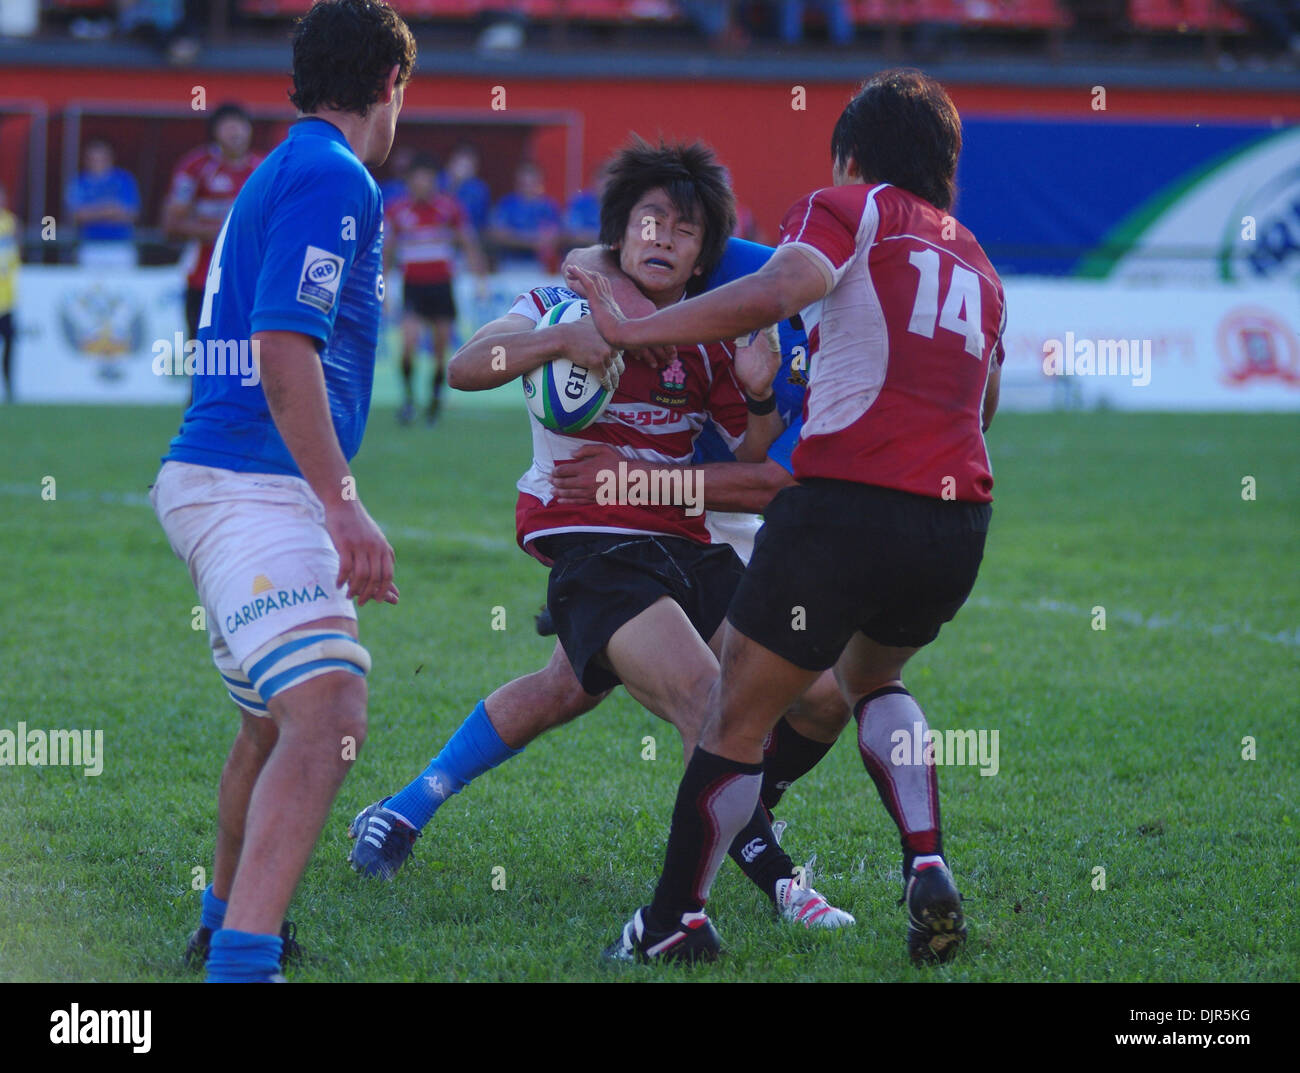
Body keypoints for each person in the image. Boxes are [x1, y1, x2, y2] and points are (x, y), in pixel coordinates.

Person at [346, 138, 855, 927]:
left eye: (683, 231)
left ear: (702, 263)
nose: (662, 237)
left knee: (813, 696)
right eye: (649, 221)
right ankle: (779, 880)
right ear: (621, 233)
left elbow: (756, 466)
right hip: (596, 551)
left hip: (691, 544)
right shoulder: (562, 303)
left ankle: (406, 807)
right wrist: (558, 341)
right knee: (705, 699)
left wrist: (759, 399)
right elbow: (470, 364)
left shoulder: (714, 336)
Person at [576, 69, 1007, 967]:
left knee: (734, 715)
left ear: (851, 156)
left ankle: (672, 924)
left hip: (845, 509)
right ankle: (925, 859)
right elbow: (982, 405)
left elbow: (778, 288)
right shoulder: (977, 260)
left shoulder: (849, 207)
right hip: (955, 522)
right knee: (875, 683)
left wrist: (633, 332)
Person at [149, 0, 416, 984]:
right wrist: (341, 502)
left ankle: (224, 922)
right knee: (331, 709)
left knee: (272, 719)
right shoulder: (332, 174)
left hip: (230, 477)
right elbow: (283, 346)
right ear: (392, 84)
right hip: (249, 483)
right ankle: (243, 966)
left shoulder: (286, 164)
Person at [385, 153, 487, 425]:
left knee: (440, 350)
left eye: (428, 180)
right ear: (409, 182)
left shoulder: (449, 209)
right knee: (408, 344)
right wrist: (381, 284)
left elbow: (468, 242)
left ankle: (434, 401)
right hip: (412, 287)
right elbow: (387, 250)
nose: (423, 185)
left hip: (441, 286)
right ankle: (407, 400)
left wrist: (480, 280)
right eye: (417, 180)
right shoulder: (398, 211)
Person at [163, 102, 264, 366]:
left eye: (241, 125)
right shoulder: (196, 167)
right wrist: (224, 232)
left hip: (249, 282)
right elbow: (171, 224)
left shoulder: (263, 170)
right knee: (203, 362)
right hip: (202, 281)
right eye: (228, 126)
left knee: (247, 363)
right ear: (215, 132)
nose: (236, 133)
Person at [65, 139, 140, 268]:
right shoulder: (79, 182)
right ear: (86, 160)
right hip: (90, 246)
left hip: (120, 246)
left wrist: (93, 212)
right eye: (93, 158)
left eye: (101, 158)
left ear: (110, 158)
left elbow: (131, 214)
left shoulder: (124, 179)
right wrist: (110, 209)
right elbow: (76, 215)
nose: (97, 162)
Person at [488, 161, 562, 270]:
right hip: (509, 264)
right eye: (524, 183)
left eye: (532, 183)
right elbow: (497, 235)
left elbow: (552, 239)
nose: (528, 187)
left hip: (539, 266)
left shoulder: (548, 207)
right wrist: (531, 241)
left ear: (540, 182)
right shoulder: (506, 204)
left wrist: (514, 236)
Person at [441, 143, 491, 234]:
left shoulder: (480, 189)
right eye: (459, 163)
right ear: (451, 162)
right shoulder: (436, 179)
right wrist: (454, 184)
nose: (463, 168)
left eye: (468, 165)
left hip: (466, 234)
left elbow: (476, 221)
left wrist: (460, 184)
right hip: (435, 231)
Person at [0, 181, 17, 403]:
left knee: (10, 345)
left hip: (7, 298)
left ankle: (10, 387)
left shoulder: (12, 223)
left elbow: (47, 232)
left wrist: (48, 227)